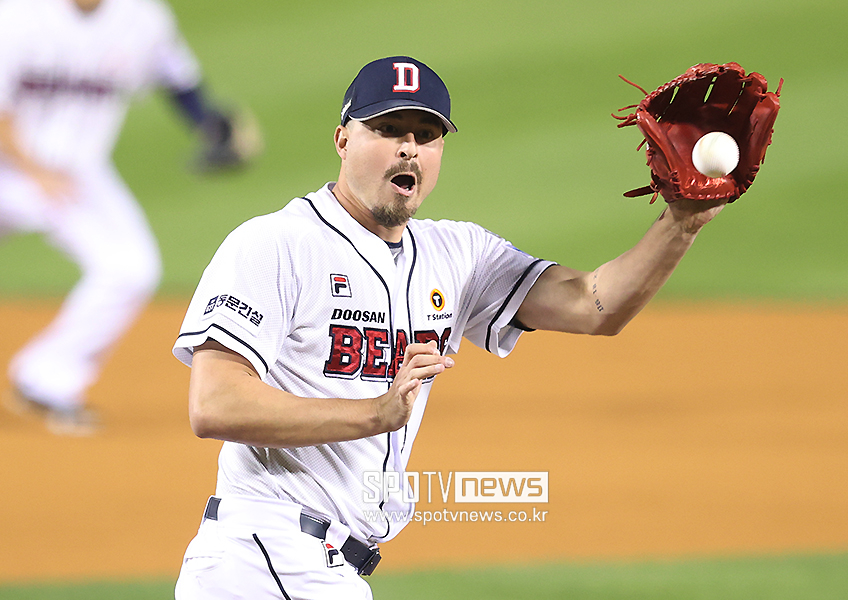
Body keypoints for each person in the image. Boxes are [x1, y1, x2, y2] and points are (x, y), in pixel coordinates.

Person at [171, 56, 729, 599]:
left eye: (426, 134)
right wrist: (372, 414)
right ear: (342, 140)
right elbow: (215, 404)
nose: (408, 147)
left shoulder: (458, 254)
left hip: (311, 567)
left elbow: (593, 305)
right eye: (387, 129)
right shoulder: (277, 244)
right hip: (265, 556)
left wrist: (681, 222)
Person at [0, 0, 255, 436]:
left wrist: (213, 127)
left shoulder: (143, 18)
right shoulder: (16, 14)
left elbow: (180, 81)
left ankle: (45, 377)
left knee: (130, 268)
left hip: (79, 174)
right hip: (11, 164)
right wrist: (36, 171)